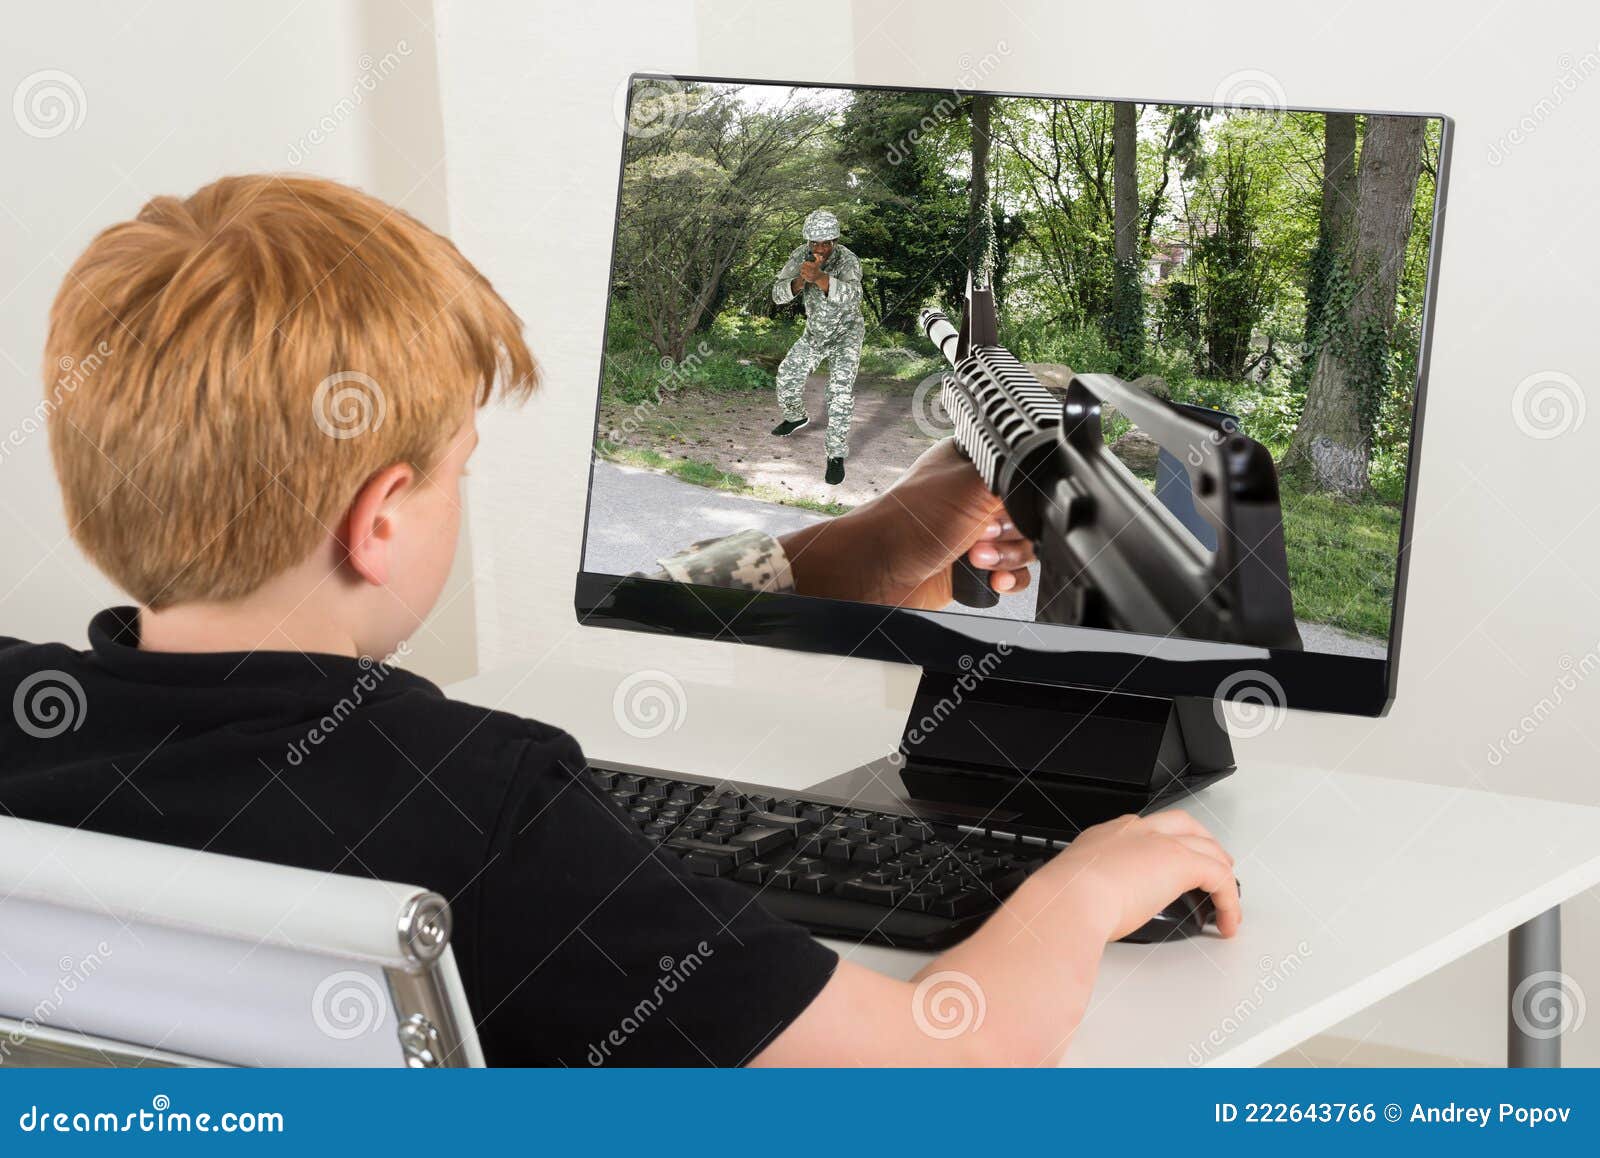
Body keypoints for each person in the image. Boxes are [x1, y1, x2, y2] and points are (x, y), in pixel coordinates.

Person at [0, 175, 1239, 1067]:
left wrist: (870, 551)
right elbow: (932, 1072)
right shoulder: (488, 809)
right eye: (457, 466)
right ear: (381, 519)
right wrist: (1083, 888)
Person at [770, 209, 864, 487]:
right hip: (815, 334)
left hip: (846, 335)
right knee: (787, 375)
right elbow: (777, 295)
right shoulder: (800, 256)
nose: (820, 248)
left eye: (826, 243)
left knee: (840, 394)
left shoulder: (847, 259)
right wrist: (801, 281)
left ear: (835, 240)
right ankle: (795, 417)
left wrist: (821, 278)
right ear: (808, 241)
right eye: (815, 243)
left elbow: (853, 297)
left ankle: (835, 456)